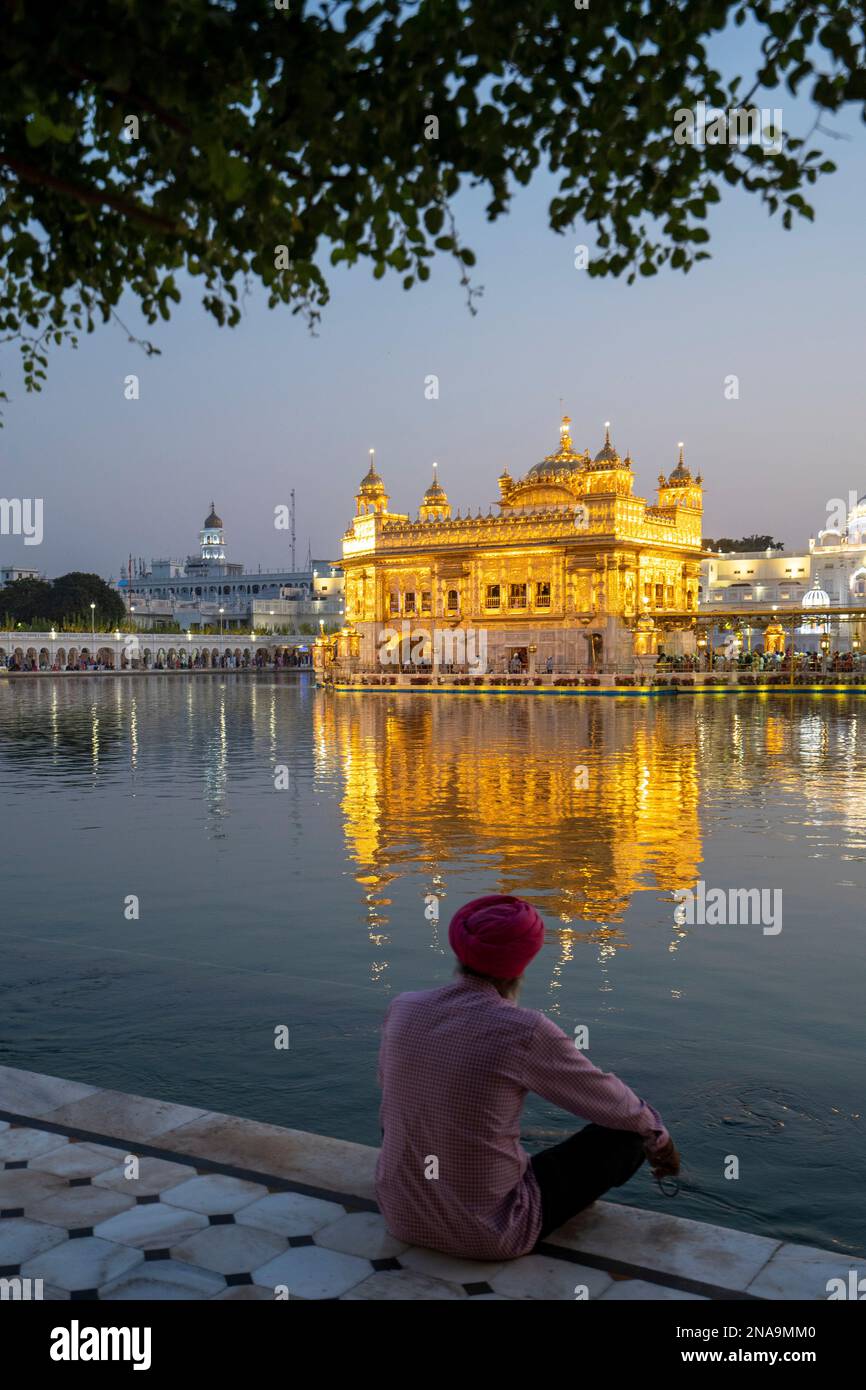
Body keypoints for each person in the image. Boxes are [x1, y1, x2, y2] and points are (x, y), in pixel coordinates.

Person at [375, 894, 680, 1261]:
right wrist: (659, 1139)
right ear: (524, 960)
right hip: (493, 1232)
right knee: (627, 1135)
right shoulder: (526, 1030)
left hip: (399, 1215)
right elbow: (610, 1100)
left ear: (459, 947)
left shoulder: (404, 1007)